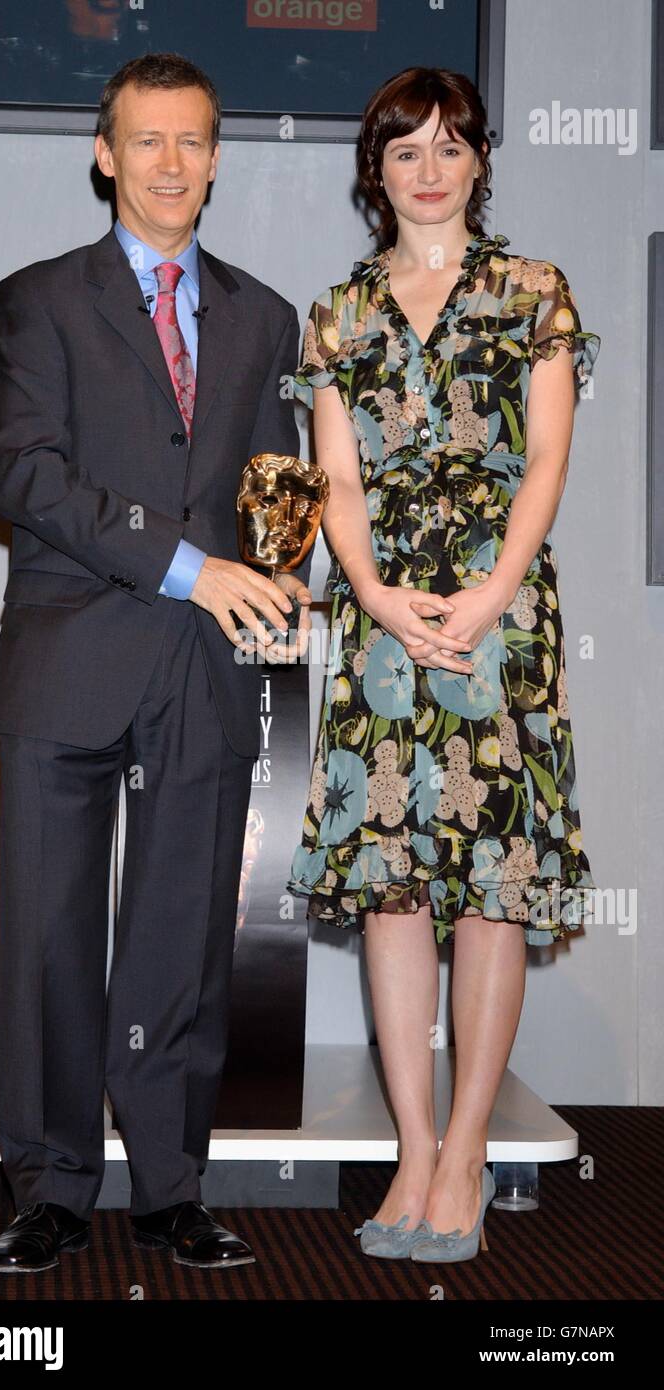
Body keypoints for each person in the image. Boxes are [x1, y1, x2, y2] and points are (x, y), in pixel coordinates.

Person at [0, 51, 313, 1275]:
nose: (172, 164)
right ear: (105, 156)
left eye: (194, 142)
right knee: (51, 939)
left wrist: (281, 572)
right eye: (148, 141)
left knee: (181, 934)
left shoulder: (267, 315)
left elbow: (275, 498)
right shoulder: (39, 298)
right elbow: (22, 474)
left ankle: (171, 1183)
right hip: (74, 646)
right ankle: (51, 1186)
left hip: (207, 662)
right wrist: (187, 563)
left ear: (217, 159)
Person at [286, 66, 600, 1263]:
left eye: (447, 145)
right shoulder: (339, 312)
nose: (427, 167)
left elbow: (542, 471)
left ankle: (468, 1146)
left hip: (496, 621)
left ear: (478, 160)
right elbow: (339, 481)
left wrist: (484, 594)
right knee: (395, 891)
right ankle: (411, 1148)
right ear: (376, 171)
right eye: (402, 149)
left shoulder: (533, 294)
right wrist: (368, 594)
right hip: (380, 626)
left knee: (490, 886)